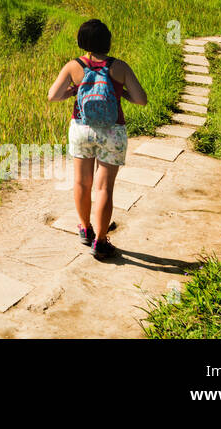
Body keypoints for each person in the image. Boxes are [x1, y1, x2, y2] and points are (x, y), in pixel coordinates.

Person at [46, 18, 147, 261]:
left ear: (83, 41)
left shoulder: (74, 66)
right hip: (112, 131)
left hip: (82, 128)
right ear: (108, 41)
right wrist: (121, 92)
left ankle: (85, 228)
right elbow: (141, 99)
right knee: (104, 187)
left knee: (82, 183)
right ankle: (101, 243)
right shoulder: (119, 67)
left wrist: (73, 90)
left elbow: (53, 95)